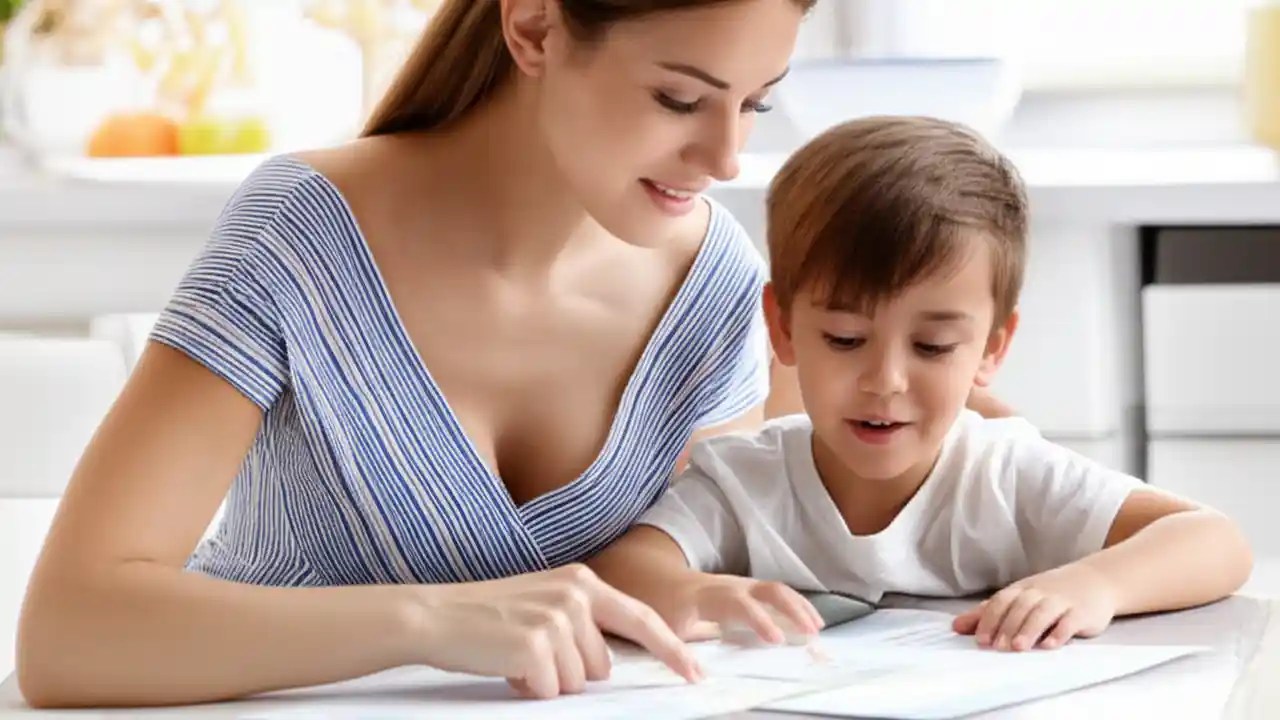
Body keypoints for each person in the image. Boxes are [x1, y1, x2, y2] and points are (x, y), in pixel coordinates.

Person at [16, 0, 820, 707]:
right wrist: (427, 620)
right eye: (679, 99)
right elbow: (65, 635)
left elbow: (700, 569)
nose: (724, 158)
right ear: (534, 28)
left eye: (755, 103)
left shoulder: (715, 291)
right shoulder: (301, 235)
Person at [590, 116, 1254, 654]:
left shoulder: (1004, 473)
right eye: (845, 340)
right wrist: (693, 594)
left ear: (991, 349)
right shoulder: (743, 482)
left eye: (933, 347)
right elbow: (622, 567)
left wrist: (1094, 585)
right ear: (783, 329)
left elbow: (1215, 541)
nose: (885, 381)